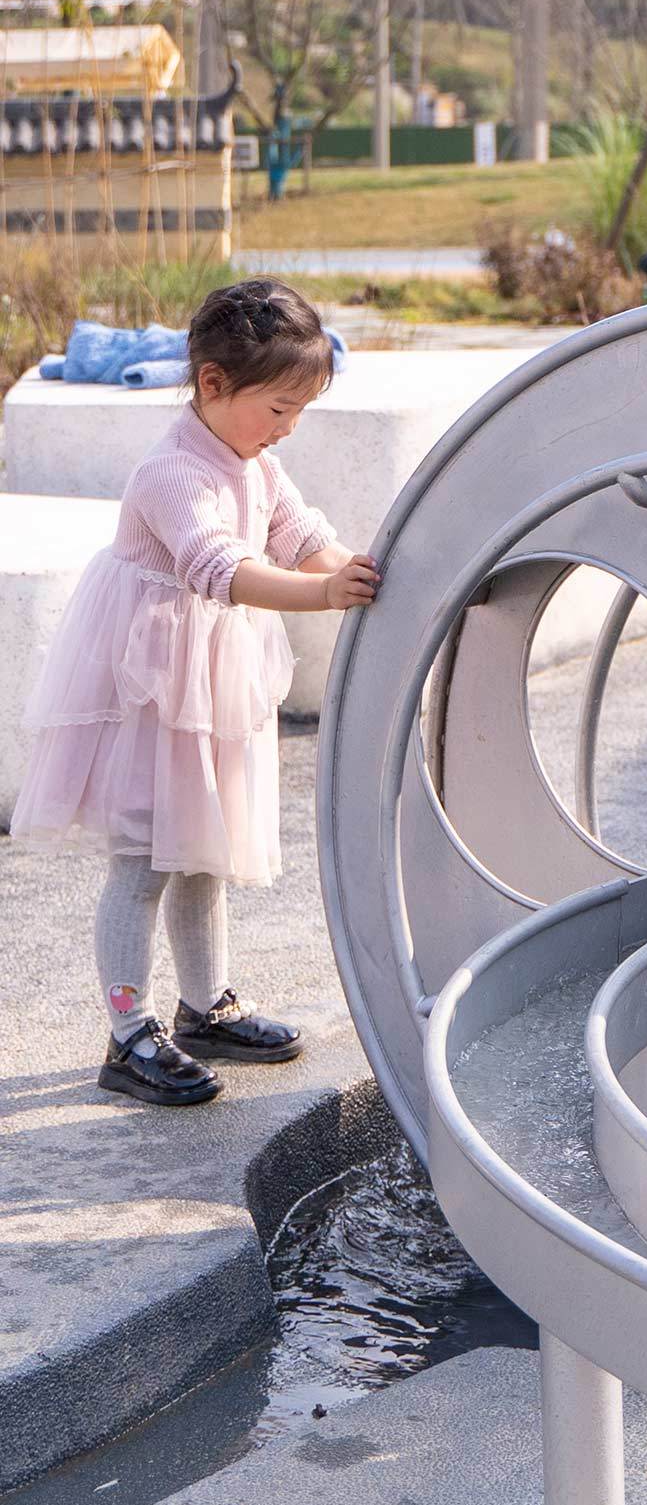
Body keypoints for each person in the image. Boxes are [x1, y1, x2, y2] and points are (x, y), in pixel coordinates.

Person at [10, 281, 380, 1106]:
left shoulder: (255, 461)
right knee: (142, 861)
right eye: (280, 408)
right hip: (148, 686)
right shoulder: (172, 472)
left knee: (203, 851)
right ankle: (128, 1031)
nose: (288, 428)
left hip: (210, 680)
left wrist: (365, 571)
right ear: (213, 384)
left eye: (300, 411)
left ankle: (205, 1006)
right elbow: (221, 567)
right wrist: (323, 597)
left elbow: (304, 537)